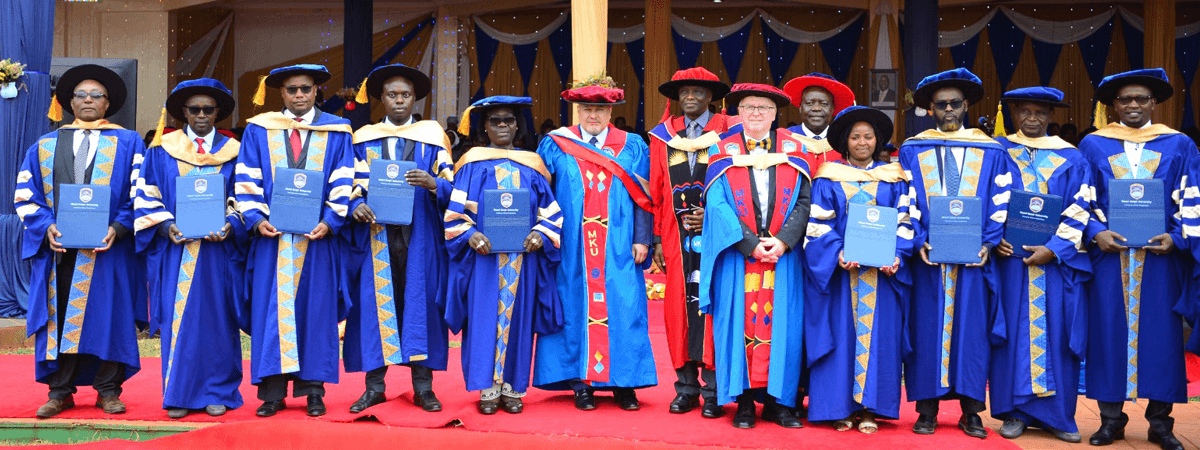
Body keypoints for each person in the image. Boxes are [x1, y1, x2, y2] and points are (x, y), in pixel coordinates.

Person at [17, 64, 144, 418]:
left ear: (108, 104)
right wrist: (46, 227)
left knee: (108, 317)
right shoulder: (45, 144)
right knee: (60, 319)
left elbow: (142, 194)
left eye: (96, 96)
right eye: (81, 95)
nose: (88, 101)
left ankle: (108, 390)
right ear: (69, 102)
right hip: (60, 251)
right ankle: (60, 391)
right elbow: (26, 195)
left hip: (108, 249)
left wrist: (118, 228)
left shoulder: (129, 142)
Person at [1078, 68, 1194, 450]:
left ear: (1154, 103)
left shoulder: (1179, 145)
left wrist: (1177, 238)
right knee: (1107, 334)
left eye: (1141, 99)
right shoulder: (1094, 144)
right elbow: (1081, 197)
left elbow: (1192, 197)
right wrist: (1096, 232)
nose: (1132, 105)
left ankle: (1160, 424)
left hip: (1160, 261)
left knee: (1163, 339)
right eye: (1125, 99)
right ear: (1114, 105)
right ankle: (1111, 421)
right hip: (1110, 260)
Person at [234, 64, 355, 418]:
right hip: (272, 240)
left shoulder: (337, 131)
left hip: (316, 240)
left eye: (306, 88)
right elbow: (247, 177)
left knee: (315, 315)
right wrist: (256, 219)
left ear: (318, 90)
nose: (299, 95)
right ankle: (272, 393)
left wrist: (331, 221)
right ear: (281, 93)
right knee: (271, 313)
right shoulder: (260, 130)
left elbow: (344, 177)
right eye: (291, 90)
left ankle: (314, 391)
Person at [532, 76, 657, 411]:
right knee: (572, 307)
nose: (593, 115)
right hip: (571, 245)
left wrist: (643, 238)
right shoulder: (556, 144)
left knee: (625, 308)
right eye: (587, 108)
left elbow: (644, 197)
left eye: (600, 109)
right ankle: (580, 383)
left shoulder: (631, 145)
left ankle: (625, 385)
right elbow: (541, 193)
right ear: (577, 109)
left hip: (618, 242)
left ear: (611, 111)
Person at [898, 68, 1009, 439]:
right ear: (930, 109)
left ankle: (971, 412)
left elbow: (1000, 200)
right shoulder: (914, 148)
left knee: (972, 334)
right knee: (926, 330)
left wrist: (988, 243)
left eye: (955, 104)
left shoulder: (991, 149)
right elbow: (905, 198)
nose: (948, 110)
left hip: (973, 261)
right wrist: (918, 240)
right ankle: (926, 410)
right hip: (929, 261)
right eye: (941, 104)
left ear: (966, 106)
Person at [342, 63, 454, 414]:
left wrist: (436, 185)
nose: (399, 101)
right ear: (381, 98)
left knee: (421, 307)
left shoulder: (434, 138)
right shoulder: (362, 139)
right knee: (375, 309)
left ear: (415, 97)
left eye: (406, 94)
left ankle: (423, 387)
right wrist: (356, 203)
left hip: (420, 238)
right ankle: (374, 387)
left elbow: (454, 187)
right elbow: (349, 183)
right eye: (392, 95)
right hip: (376, 238)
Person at [699, 83, 810, 429]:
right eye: (749, 107)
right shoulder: (721, 151)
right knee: (737, 326)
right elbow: (716, 205)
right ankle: (745, 402)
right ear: (738, 113)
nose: (757, 113)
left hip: (784, 258)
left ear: (776, 114)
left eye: (764, 108)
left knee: (786, 329)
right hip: (739, 256)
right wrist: (750, 244)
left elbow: (806, 201)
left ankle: (780, 403)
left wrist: (784, 241)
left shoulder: (796, 150)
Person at [445, 96, 564, 415]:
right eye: (495, 120)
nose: (502, 126)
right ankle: (487, 387)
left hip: (522, 260)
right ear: (484, 126)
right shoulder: (471, 163)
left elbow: (551, 213)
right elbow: (455, 213)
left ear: (517, 125)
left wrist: (541, 233)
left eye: (508, 120)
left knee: (520, 321)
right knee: (483, 320)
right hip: (484, 262)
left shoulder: (532, 165)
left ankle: (512, 388)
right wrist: (471, 235)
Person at [135, 78, 246, 419]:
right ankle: (178, 392)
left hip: (217, 253)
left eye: (208, 110)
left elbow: (247, 194)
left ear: (218, 113)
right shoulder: (160, 150)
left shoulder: (235, 152)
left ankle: (217, 390)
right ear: (183, 111)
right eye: (194, 109)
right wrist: (167, 225)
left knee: (217, 319)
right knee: (177, 318)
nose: (201, 116)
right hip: (176, 252)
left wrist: (232, 223)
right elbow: (145, 195)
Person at [989, 87, 1093, 443]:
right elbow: (986, 198)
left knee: (1058, 334)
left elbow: (1082, 207)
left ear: (1051, 117)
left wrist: (1055, 248)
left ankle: (1058, 415)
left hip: (1055, 264)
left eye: (1040, 113)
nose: (1032, 118)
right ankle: (1014, 413)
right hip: (1010, 261)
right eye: (1025, 112)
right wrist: (993, 236)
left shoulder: (1072, 157)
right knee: (1011, 331)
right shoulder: (998, 152)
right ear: (1014, 114)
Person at [803, 106, 914, 434]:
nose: (862, 142)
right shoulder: (828, 176)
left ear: (877, 140)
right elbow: (818, 224)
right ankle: (840, 407)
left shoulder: (894, 178)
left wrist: (897, 255)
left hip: (881, 277)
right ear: (845, 141)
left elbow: (907, 221)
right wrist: (837, 254)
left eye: (868, 137)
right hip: (842, 277)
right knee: (841, 340)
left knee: (881, 342)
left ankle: (870, 410)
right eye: (855, 137)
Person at [647, 67, 732, 418]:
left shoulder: (730, 132)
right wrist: (655, 239)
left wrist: (712, 218)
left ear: (711, 97)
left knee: (714, 306)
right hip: (673, 232)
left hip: (718, 234)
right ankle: (686, 388)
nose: (690, 97)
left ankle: (714, 389)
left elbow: (737, 185)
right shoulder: (664, 136)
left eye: (698, 91)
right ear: (676, 98)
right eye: (684, 92)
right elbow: (655, 189)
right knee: (678, 311)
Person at [781, 72, 852, 171]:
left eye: (824, 104)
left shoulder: (844, 141)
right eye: (809, 103)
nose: (816, 108)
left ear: (833, 109)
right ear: (800, 107)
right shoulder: (784, 138)